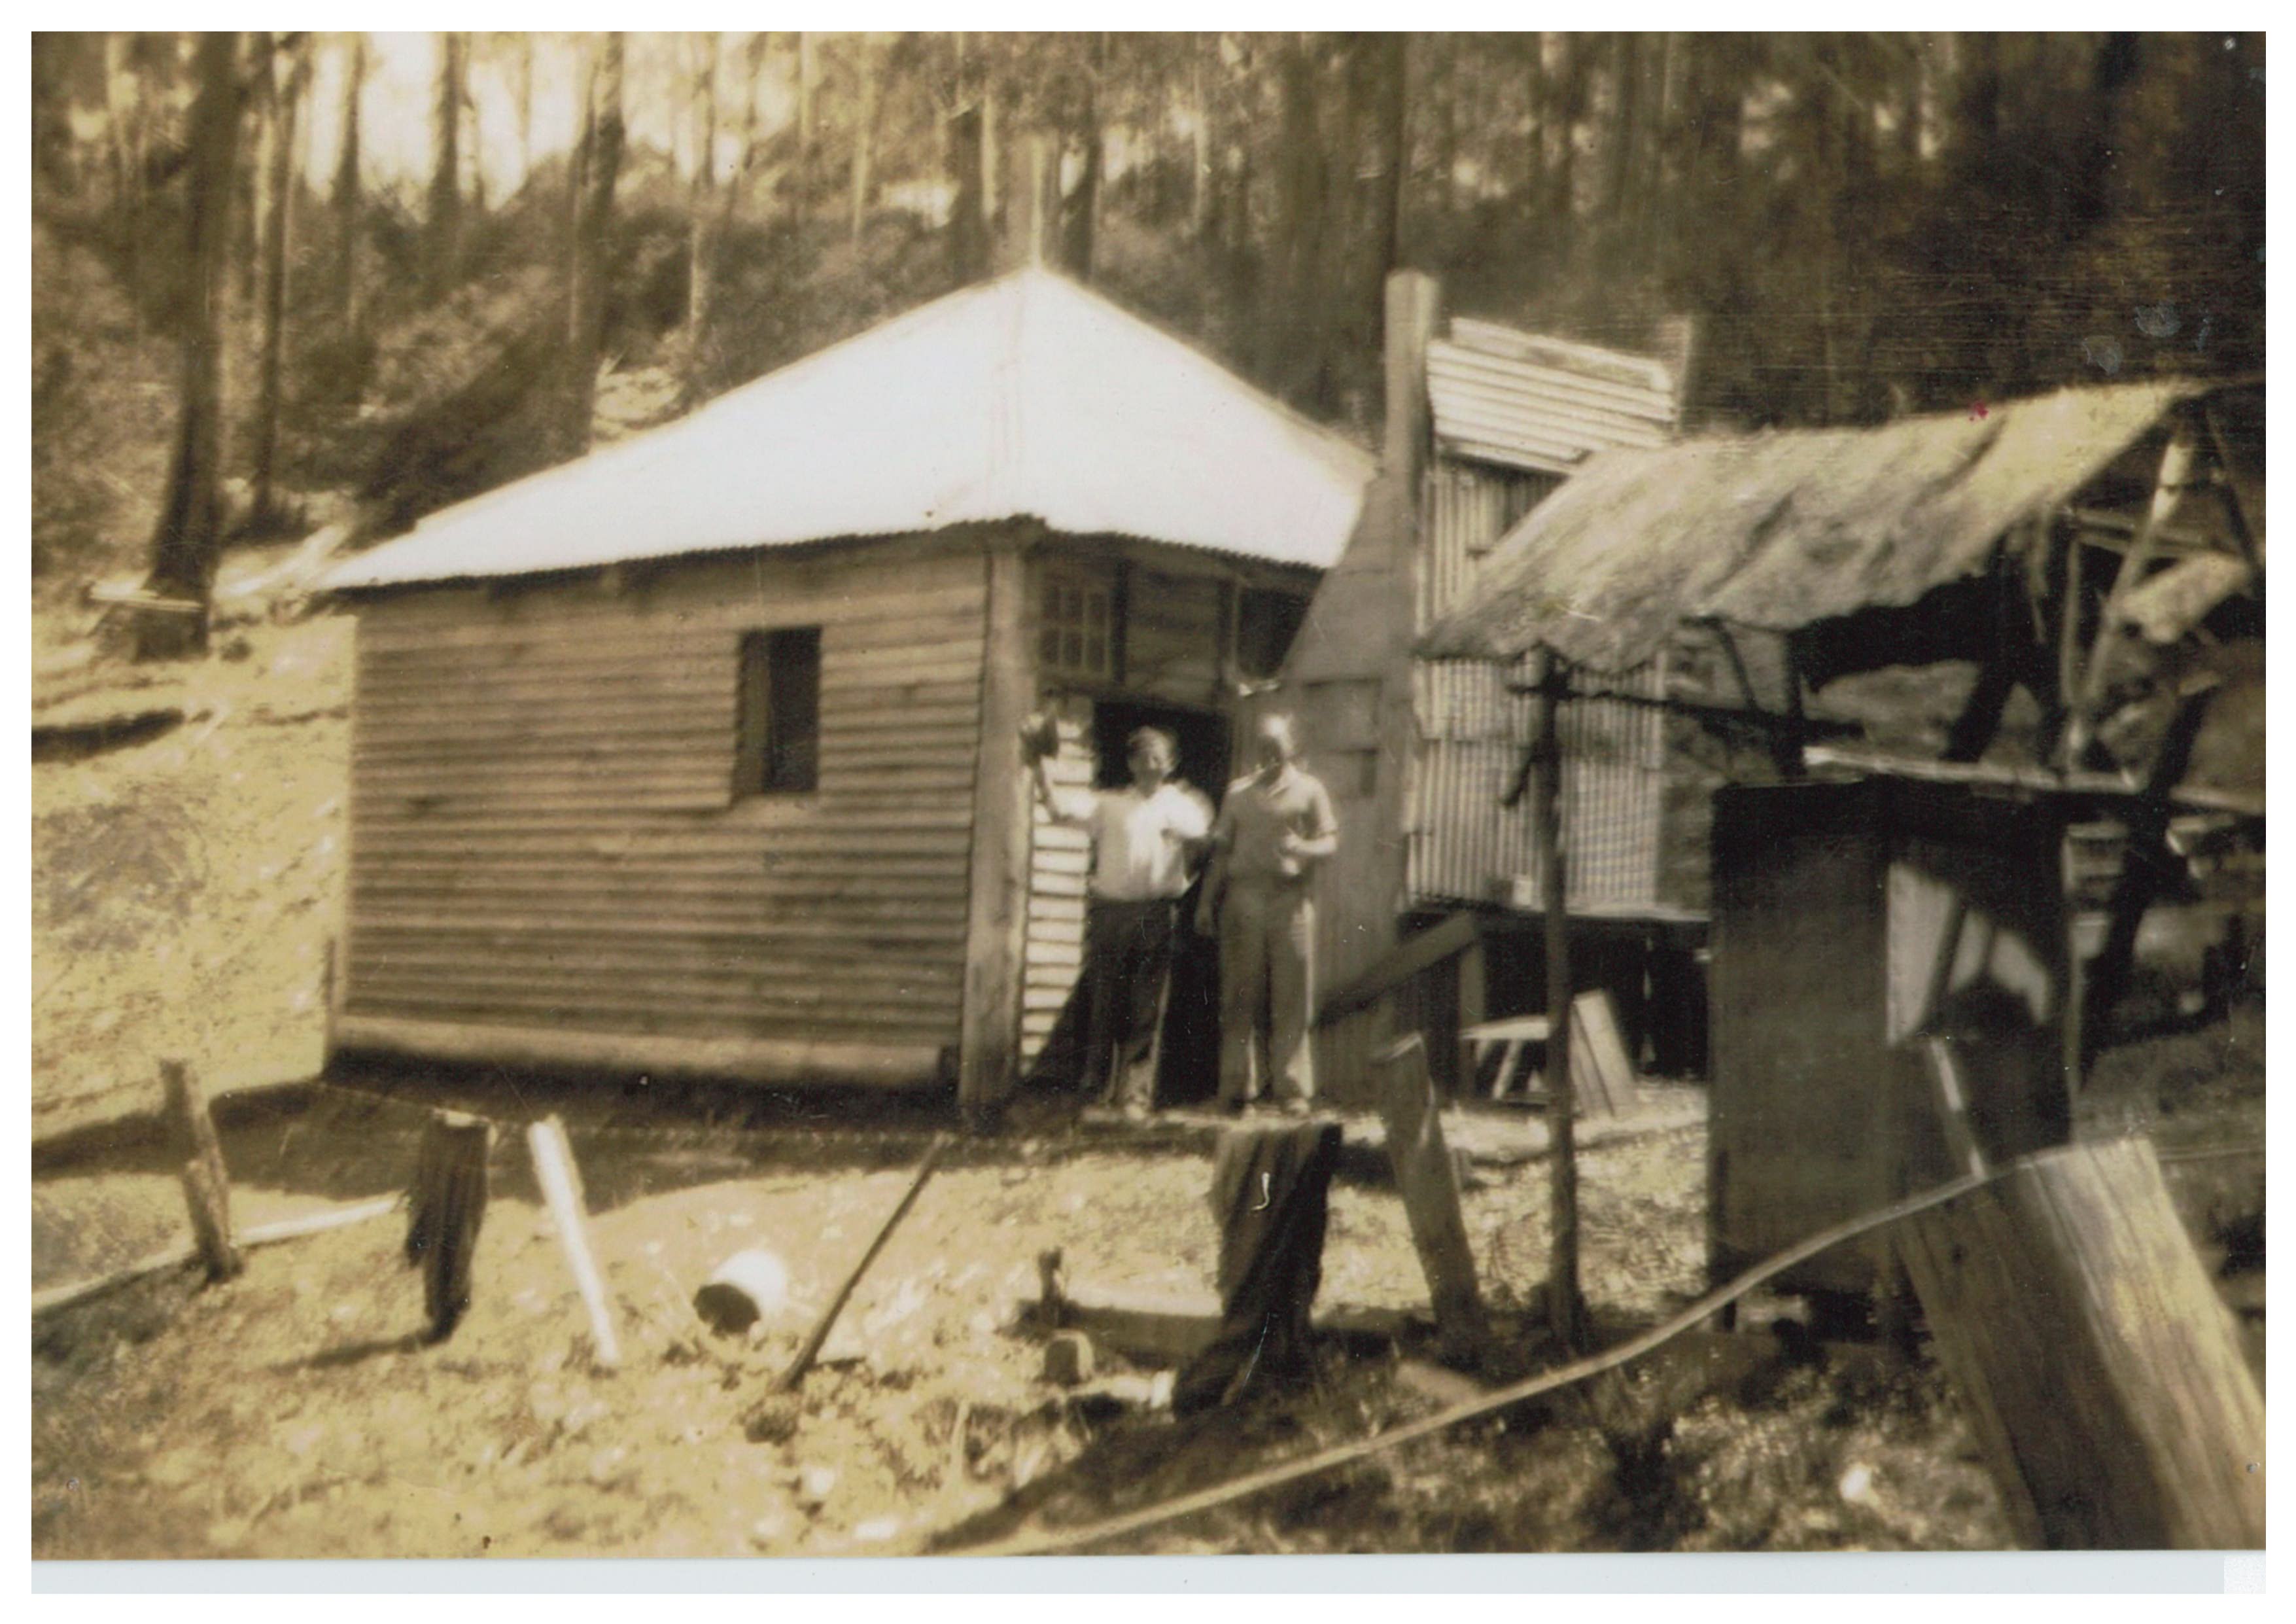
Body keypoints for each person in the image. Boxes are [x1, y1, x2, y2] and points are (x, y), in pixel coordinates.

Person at [1029, 722, 1214, 1120]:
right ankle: (1095, 1091)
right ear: (1130, 763)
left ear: (1171, 763)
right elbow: (1059, 810)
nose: (1150, 764)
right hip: (1111, 910)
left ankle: (1135, 1096)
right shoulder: (1109, 804)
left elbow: (1205, 846)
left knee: (1147, 1005)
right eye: (1142, 756)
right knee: (1105, 1002)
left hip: (1156, 910)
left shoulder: (1185, 807)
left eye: (1158, 756)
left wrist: (1184, 877)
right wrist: (1041, 766)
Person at [1196, 714, 1339, 1114]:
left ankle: (1292, 1090)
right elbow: (1222, 853)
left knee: (1291, 995)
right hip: (1244, 899)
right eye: (1262, 745)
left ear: (1292, 746)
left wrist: (1304, 849)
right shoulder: (1239, 793)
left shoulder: (1310, 791)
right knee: (1241, 994)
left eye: (1276, 744)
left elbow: (1329, 842)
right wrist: (1207, 902)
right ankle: (1237, 1088)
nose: (1269, 752)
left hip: (1290, 899)